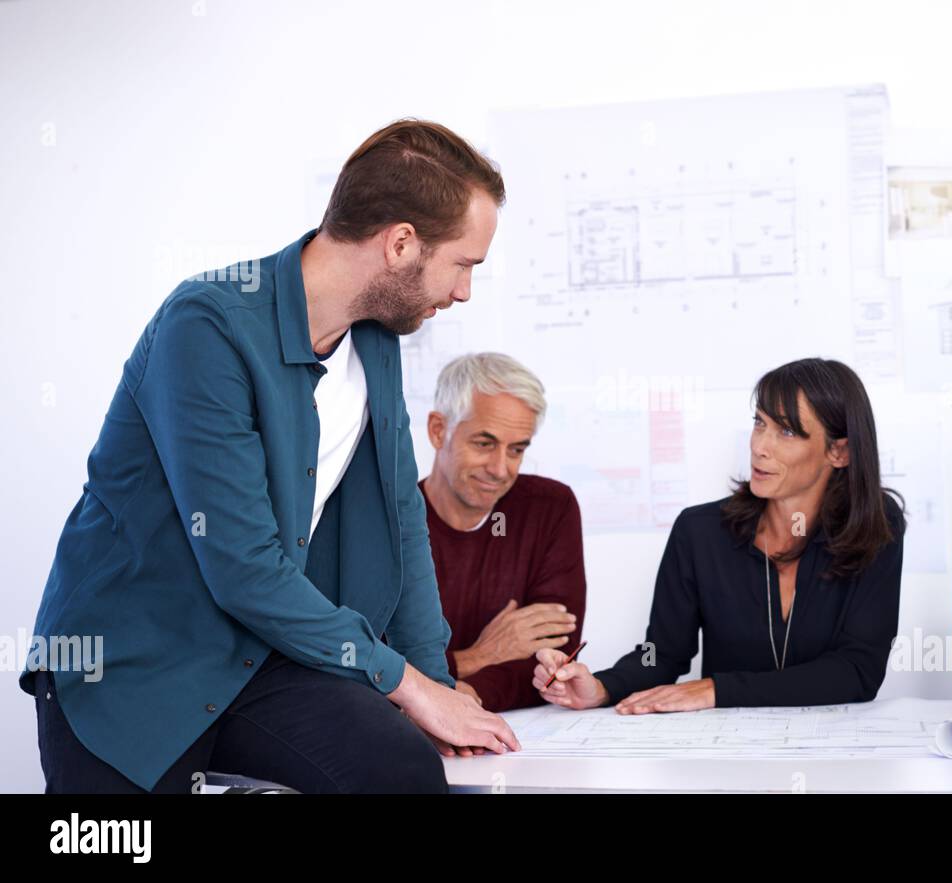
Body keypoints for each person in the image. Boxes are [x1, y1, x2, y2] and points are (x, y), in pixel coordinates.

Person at [21, 119, 520, 794]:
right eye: (464, 264)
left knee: (399, 767)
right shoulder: (207, 326)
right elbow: (243, 566)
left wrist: (433, 684)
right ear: (401, 243)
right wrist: (406, 686)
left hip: (257, 655)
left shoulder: (373, 341)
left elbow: (401, 517)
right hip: (136, 664)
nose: (462, 292)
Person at [533, 357, 905, 713]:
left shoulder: (876, 527)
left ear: (839, 452)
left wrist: (716, 689)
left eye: (786, 431)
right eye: (760, 423)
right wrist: (600, 688)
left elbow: (858, 671)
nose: (760, 447)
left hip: (834, 753)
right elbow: (659, 654)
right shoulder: (700, 532)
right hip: (729, 752)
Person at [419, 352, 586, 713]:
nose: (499, 469)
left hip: (516, 736)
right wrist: (482, 655)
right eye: (484, 443)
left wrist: (470, 693)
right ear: (438, 430)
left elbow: (553, 660)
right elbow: (369, 665)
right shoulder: (387, 522)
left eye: (517, 449)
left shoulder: (550, 507)